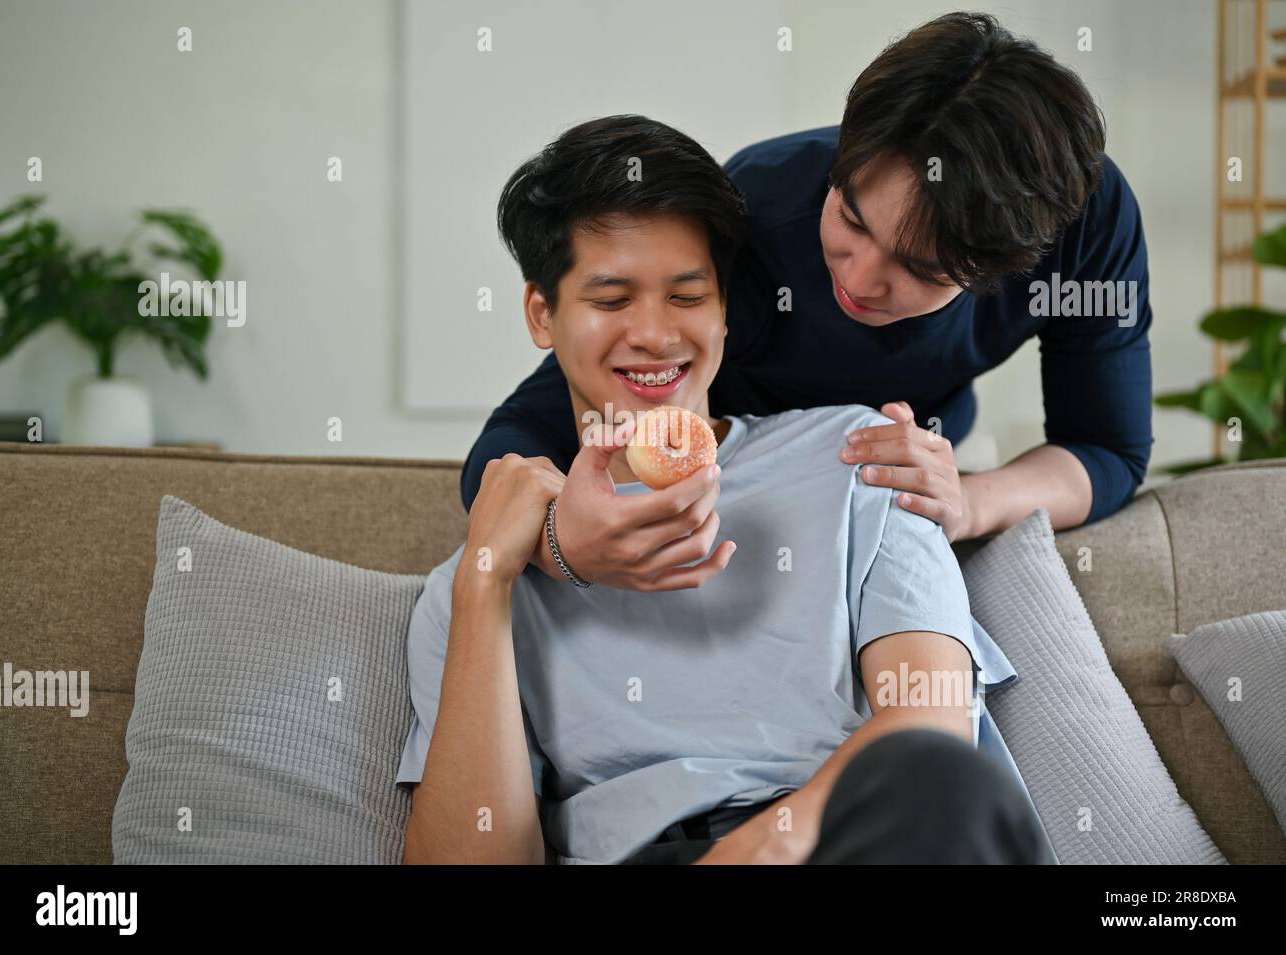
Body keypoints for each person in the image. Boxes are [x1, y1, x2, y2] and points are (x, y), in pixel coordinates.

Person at [396, 114, 1053, 865]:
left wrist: (763, 849)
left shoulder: (857, 459)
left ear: (725, 310)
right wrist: (487, 581)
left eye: (686, 295)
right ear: (543, 315)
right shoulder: (484, 575)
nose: (653, 333)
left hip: (846, 837)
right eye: (611, 301)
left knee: (952, 788)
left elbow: (931, 719)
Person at [459, 11, 1153, 598]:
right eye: (851, 217)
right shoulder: (759, 212)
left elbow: (1107, 449)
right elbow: (524, 430)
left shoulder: (1088, 224)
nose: (860, 277)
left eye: (918, 268)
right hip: (741, 470)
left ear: (1007, 264)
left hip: (919, 456)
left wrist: (972, 500)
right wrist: (560, 544)